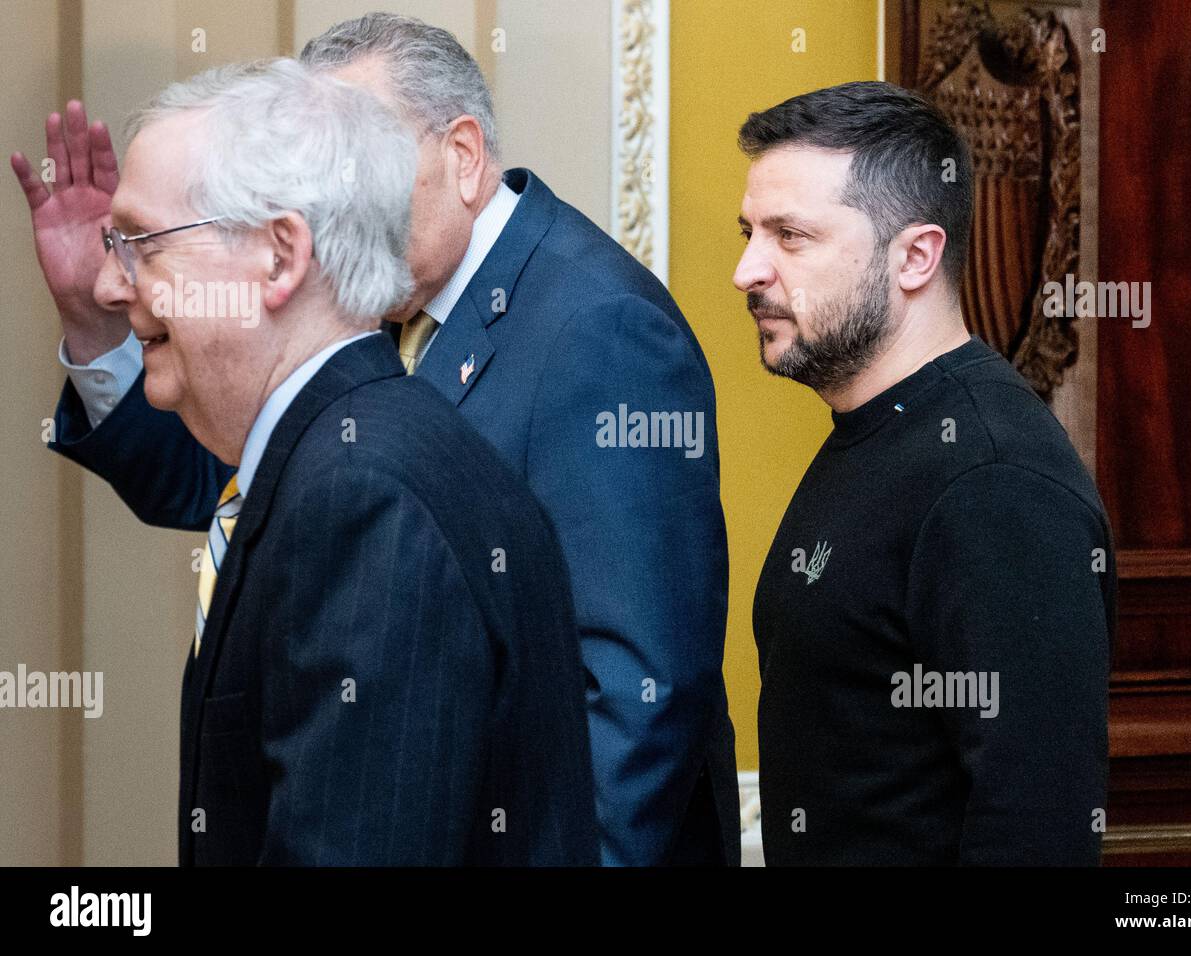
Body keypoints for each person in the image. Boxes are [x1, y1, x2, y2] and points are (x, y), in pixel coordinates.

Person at [11, 13, 738, 865]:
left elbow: (635, 698)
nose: (336, 195)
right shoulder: (373, 313)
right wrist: (101, 333)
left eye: (357, 161)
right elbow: (244, 486)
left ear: (463, 155)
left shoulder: (601, 328)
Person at [735, 81, 1114, 865]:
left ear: (915, 256)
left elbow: (1035, 825)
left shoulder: (993, 480)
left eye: (790, 236)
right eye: (748, 233)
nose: (747, 270)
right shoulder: (875, 430)